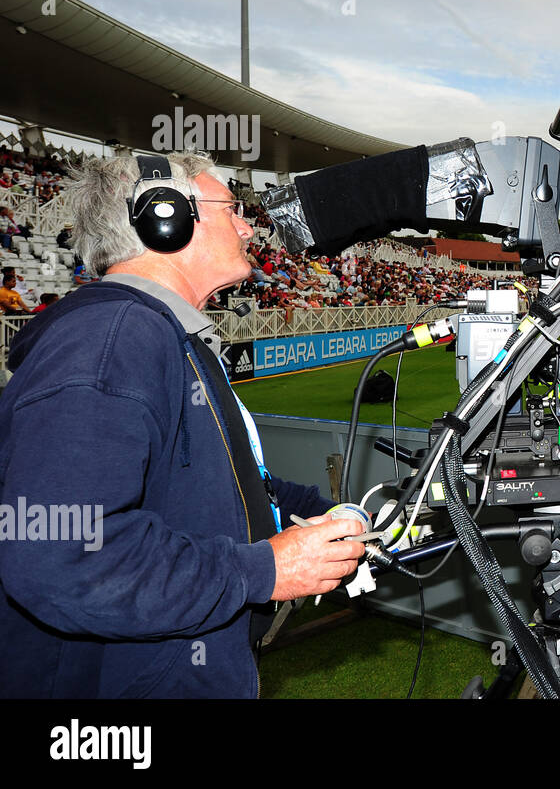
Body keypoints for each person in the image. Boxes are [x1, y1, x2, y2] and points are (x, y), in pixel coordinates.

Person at [0, 152, 365, 698]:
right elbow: (62, 552)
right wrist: (260, 571)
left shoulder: (160, 335)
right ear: (165, 216)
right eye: (232, 208)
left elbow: (218, 487)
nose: (246, 226)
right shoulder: (111, 339)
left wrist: (322, 514)